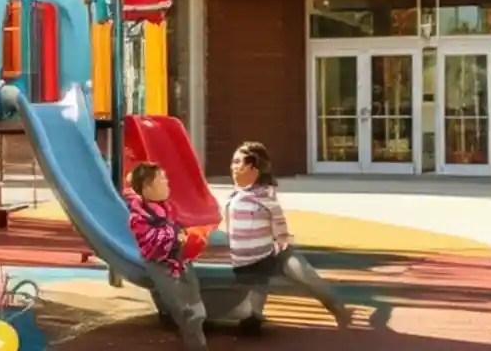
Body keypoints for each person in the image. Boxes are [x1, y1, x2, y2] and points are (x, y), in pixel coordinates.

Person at [226, 141, 350, 332]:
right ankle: (252, 317)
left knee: (307, 277)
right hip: (248, 263)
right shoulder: (234, 197)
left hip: (273, 254)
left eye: (238, 162)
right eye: (233, 162)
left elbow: (278, 220)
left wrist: (283, 239)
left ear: (253, 168)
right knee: (251, 314)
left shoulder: (264, 195)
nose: (233, 167)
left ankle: (337, 308)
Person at [127, 163, 211, 350]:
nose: (167, 183)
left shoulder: (167, 208)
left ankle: (190, 329)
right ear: (147, 188)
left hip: (180, 262)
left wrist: (188, 236)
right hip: (161, 265)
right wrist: (177, 236)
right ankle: (197, 346)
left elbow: (176, 227)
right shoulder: (138, 217)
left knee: (194, 301)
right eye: (162, 180)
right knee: (188, 312)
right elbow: (151, 244)